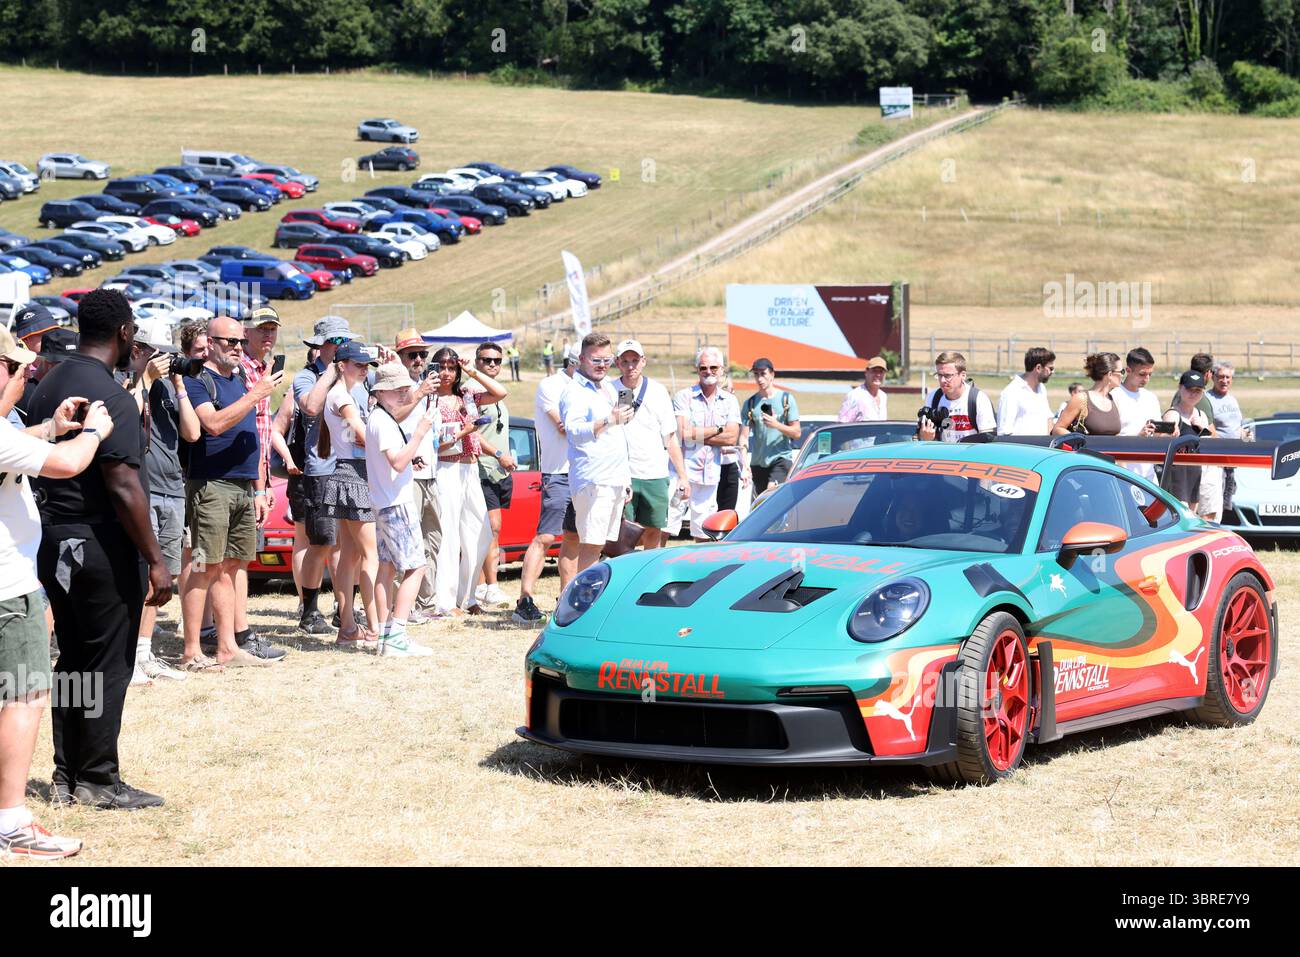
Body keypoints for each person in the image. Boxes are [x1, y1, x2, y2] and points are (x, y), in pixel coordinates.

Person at [28, 288, 172, 811]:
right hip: (98, 544)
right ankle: (98, 779)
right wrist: (157, 560)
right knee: (108, 663)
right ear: (125, 333)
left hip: (52, 540)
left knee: (73, 660)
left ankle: (68, 772)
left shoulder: (50, 383)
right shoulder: (109, 394)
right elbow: (124, 486)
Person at [0, 326, 117, 856]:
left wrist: (51, 425)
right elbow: (70, 465)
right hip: (8, 589)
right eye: (16, 366)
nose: (27, 373)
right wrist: (91, 432)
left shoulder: (7, 428)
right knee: (25, 696)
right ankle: (12, 822)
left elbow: (16, 445)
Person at [180, 316, 283, 670]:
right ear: (210, 343)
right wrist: (256, 395)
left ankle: (227, 648)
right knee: (203, 566)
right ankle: (191, 650)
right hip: (211, 484)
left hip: (241, 485)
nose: (238, 348)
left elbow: (253, 436)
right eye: (230, 342)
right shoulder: (198, 380)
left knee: (231, 566)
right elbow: (212, 424)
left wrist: (258, 489)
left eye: (241, 342)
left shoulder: (237, 380)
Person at [124, 317, 193, 685]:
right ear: (138, 351)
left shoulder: (169, 386)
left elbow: (192, 433)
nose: (165, 361)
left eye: (169, 355)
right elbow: (124, 415)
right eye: (159, 355)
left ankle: (144, 652)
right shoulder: (124, 381)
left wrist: (178, 382)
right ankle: (127, 655)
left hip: (172, 488)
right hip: (142, 490)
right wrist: (146, 378)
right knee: (137, 577)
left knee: (161, 579)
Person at [290, 317, 357, 636]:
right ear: (320, 345)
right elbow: (311, 407)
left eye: (346, 341)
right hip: (321, 470)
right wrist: (332, 368)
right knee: (323, 543)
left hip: (351, 468)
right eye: (336, 341)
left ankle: (345, 610)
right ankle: (309, 610)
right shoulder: (306, 376)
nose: (342, 347)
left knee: (349, 546)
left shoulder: (354, 376)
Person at [365, 363, 437, 657]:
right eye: (398, 390)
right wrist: (419, 433)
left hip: (384, 501)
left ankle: (385, 635)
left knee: (387, 567)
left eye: (405, 389)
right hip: (396, 503)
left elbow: (395, 460)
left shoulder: (380, 417)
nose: (404, 394)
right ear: (381, 392)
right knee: (415, 566)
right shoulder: (382, 420)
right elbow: (396, 461)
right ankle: (397, 634)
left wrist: (411, 457)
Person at [226, 305, 284, 659]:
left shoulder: (263, 369)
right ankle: (235, 633)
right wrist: (258, 485)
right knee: (233, 559)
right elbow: (245, 426)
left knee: (239, 557)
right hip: (239, 476)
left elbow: (264, 431)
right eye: (261, 329)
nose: (267, 335)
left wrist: (264, 482)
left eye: (272, 329)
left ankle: (230, 630)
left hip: (253, 474)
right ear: (245, 333)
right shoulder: (243, 370)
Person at [430, 346, 506, 615]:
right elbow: (434, 443)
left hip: (471, 468)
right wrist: (463, 432)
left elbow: (500, 392)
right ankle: (445, 601)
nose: (447, 373)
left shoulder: (467, 394)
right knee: (448, 536)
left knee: (480, 534)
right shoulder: (429, 400)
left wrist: (472, 369)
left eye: (452, 368)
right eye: (442, 367)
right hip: (446, 468)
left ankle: (468, 596)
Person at [513, 346, 580, 625]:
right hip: (557, 472)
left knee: (573, 538)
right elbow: (563, 425)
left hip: (583, 473)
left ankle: (567, 600)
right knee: (545, 537)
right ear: (576, 361)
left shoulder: (593, 388)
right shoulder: (551, 385)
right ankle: (524, 599)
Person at [322, 340, 380, 646]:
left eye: (366, 365)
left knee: (350, 556)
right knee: (369, 555)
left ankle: (348, 626)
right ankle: (373, 627)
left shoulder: (344, 393)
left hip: (346, 471)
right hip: (354, 474)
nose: (364, 369)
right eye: (359, 364)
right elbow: (362, 433)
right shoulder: (342, 395)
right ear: (342, 365)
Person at [561, 332, 633, 573]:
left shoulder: (607, 388)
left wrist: (626, 479)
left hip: (614, 478)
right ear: (581, 358)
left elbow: (617, 437)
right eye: (596, 360)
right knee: (591, 545)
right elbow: (573, 431)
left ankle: (586, 601)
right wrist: (608, 420)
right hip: (594, 479)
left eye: (607, 360)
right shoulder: (575, 391)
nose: (602, 365)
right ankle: (579, 604)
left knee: (601, 544)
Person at [614, 339, 687, 549]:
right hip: (622, 473)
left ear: (643, 361)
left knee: (654, 530)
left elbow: (670, 436)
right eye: (625, 361)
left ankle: (648, 575)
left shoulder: (658, 391)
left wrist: (683, 476)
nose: (630, 366)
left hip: (654, 473)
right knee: (622, 533)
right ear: (617, 363)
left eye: (635, 360)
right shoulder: (609, 389)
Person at [391, 329, 441, 623]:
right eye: (413, 354)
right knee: (405, 543)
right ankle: (402, 606)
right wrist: (419, 393)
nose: (420, 359)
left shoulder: (424, 384)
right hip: (407, 473)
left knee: (431, 539)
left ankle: (426, 601)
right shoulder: (395, 385)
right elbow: (392, 416)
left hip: (431, 469)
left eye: (423, 354)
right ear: (400, 357)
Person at [671, 346, 741, 540]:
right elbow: (684, 433)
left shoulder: (730, 400)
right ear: (697, 369)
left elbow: (731, 438)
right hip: (681, 473)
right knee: (666, 528)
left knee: (704, 532)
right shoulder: (684, 396)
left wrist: (698, 434)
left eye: (713, 367)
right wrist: (718, 429)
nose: (708, 372)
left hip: (710, 474)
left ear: (722, 369)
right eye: (703, 368)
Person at [472, 341, 515, 608]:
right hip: (483, 468)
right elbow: (472, 431)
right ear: (477, 362)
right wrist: (498, 454)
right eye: (487, 360)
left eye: (497, 361)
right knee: (490, 527)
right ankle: (488, 586)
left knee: (491, 531)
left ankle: (482, 585)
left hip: (500, 471)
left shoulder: (494, 393)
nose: (492, 365)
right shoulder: (474, 393)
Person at [739, 357, 801, 494]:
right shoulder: (750, 403)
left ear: (772, 375)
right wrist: (744, 464)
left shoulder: (786, 399)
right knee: (762, 502)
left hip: (781, 458)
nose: (759, 378)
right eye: (756, 374)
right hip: (758, 463)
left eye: (763, 373)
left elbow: (797, 433)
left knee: (771, 493)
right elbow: (743, 437)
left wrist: (777, 425)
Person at [1163, 371, 1215, 511]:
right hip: (1176, 476)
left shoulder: (1201, 415)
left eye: (1197, 391)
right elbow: (1160, 442)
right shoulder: (1173, 414)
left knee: (1192, 515)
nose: (1193, 394)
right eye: (1189, 389)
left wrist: (1203, 429)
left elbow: (1207, 446)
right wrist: (1170, 435)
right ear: (1180, 388)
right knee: (1181, 514)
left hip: (1195, 473)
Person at [918, 351, 996, 442]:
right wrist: (926, 437)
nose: (942, 380)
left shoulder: (979, 399)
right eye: (939, 375)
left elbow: (988, 439)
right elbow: (923, 437)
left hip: (971, 455)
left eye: (948, 375)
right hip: (942, 455)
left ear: (963, 375)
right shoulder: (933, 398)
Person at [1111, 347, 1162, 482]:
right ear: (1128, 370)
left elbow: (1157, 434)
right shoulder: (1114, 396)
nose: (1147, 378)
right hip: (1121, 473)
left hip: (1148, 474)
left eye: (1150, 374)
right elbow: (1109, 437)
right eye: (1142, 374)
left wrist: (1168, 432)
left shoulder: (1151, 398)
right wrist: (1138, 437)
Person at [8, 303, 62, 425]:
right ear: (25, 340)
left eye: (55, 332)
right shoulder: (15, 375)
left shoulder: (66, 362)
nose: (52, 338)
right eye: (43, 335)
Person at [1052, 353, 1124, 436]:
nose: (1123, 375)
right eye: (1122, 371)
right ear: (1110, 375)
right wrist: (1081, 442)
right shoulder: (1081, 399)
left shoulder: (1114, 400)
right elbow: (1058, 429)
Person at [1189, 353, 1223, 523]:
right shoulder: (1200, 397)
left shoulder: (1183, 391)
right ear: (1209, 373)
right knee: (1209, 513)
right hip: (1204, 463)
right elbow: (1211, 435)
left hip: (1190, 462)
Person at [1208, 361, 1243, 515]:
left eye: (1228, 377)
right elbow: (1208, 429)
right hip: (1216, 459)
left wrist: (1247, 438)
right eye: (1221, 377)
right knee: (1212, 504)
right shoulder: (1208, 398)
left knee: (1226, 503)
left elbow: (1237, 427)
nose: (1225, 381)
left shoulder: (1232, 399)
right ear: (1213, 377)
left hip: (1232, 459)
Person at [996, 347, 1056, 436]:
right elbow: (1004, 433)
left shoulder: (1041, 388)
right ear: (1038, 368)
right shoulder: (1012, 392)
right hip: (1021, 449)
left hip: (1042, 448)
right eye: (1050, 368)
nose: (1053, 372)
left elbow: (1048, 419)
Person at [838, 356, 889, 422]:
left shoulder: (883, 396)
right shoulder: (854, 396)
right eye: (874, 371)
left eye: (881, 372)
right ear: (866, 372)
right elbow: (843, 424)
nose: (878, 375)